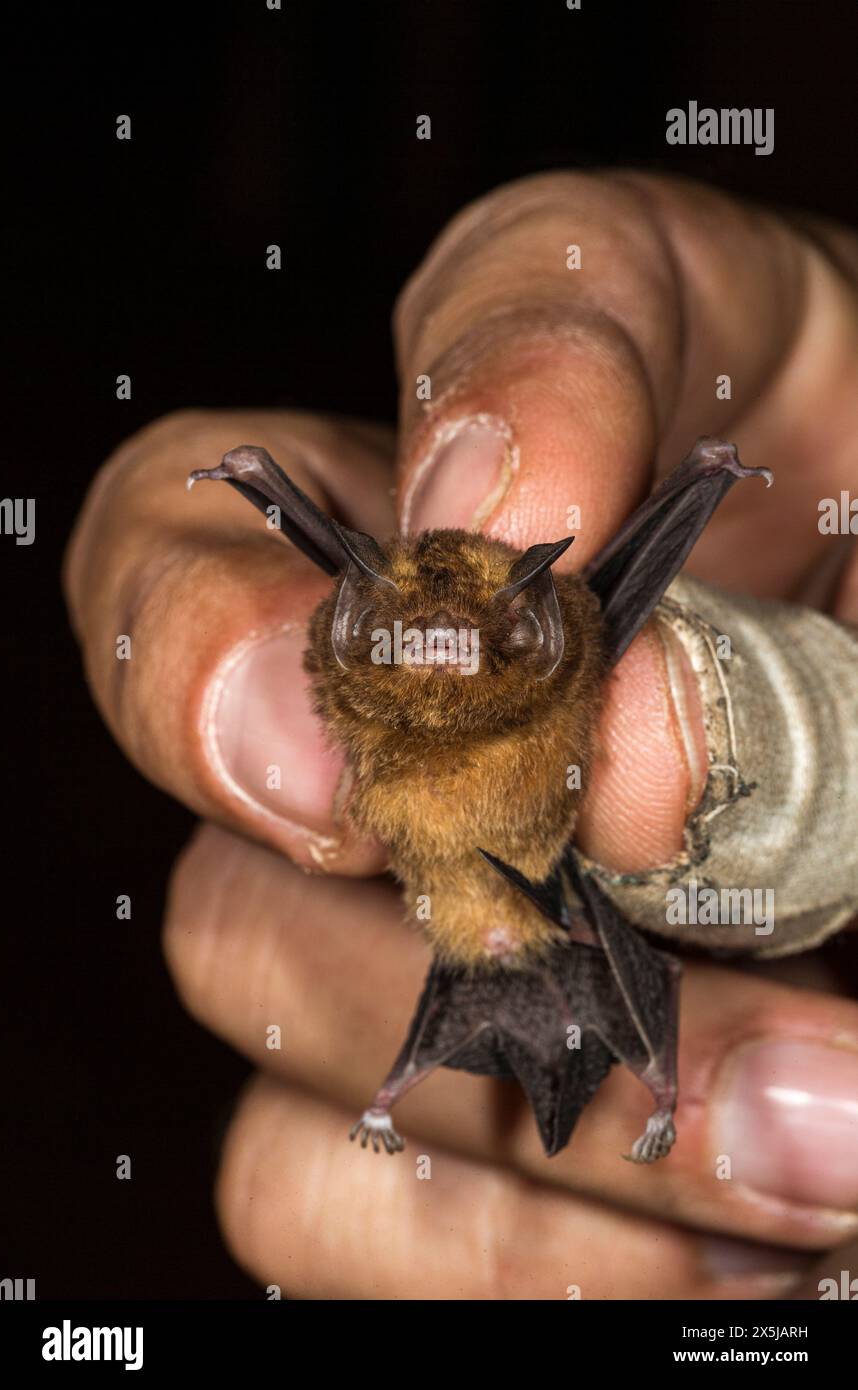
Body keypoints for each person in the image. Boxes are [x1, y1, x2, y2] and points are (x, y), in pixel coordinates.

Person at [65, 171, 858, 1299]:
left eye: (477, 638)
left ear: (540, 627)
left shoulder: (569, 643)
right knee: (481, 962)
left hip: (544, 856)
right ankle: (487, 1077)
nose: (439, 655)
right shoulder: (384, 665)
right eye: (405, 638)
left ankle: (447, 1080)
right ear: (355, 643)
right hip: (510, 903)